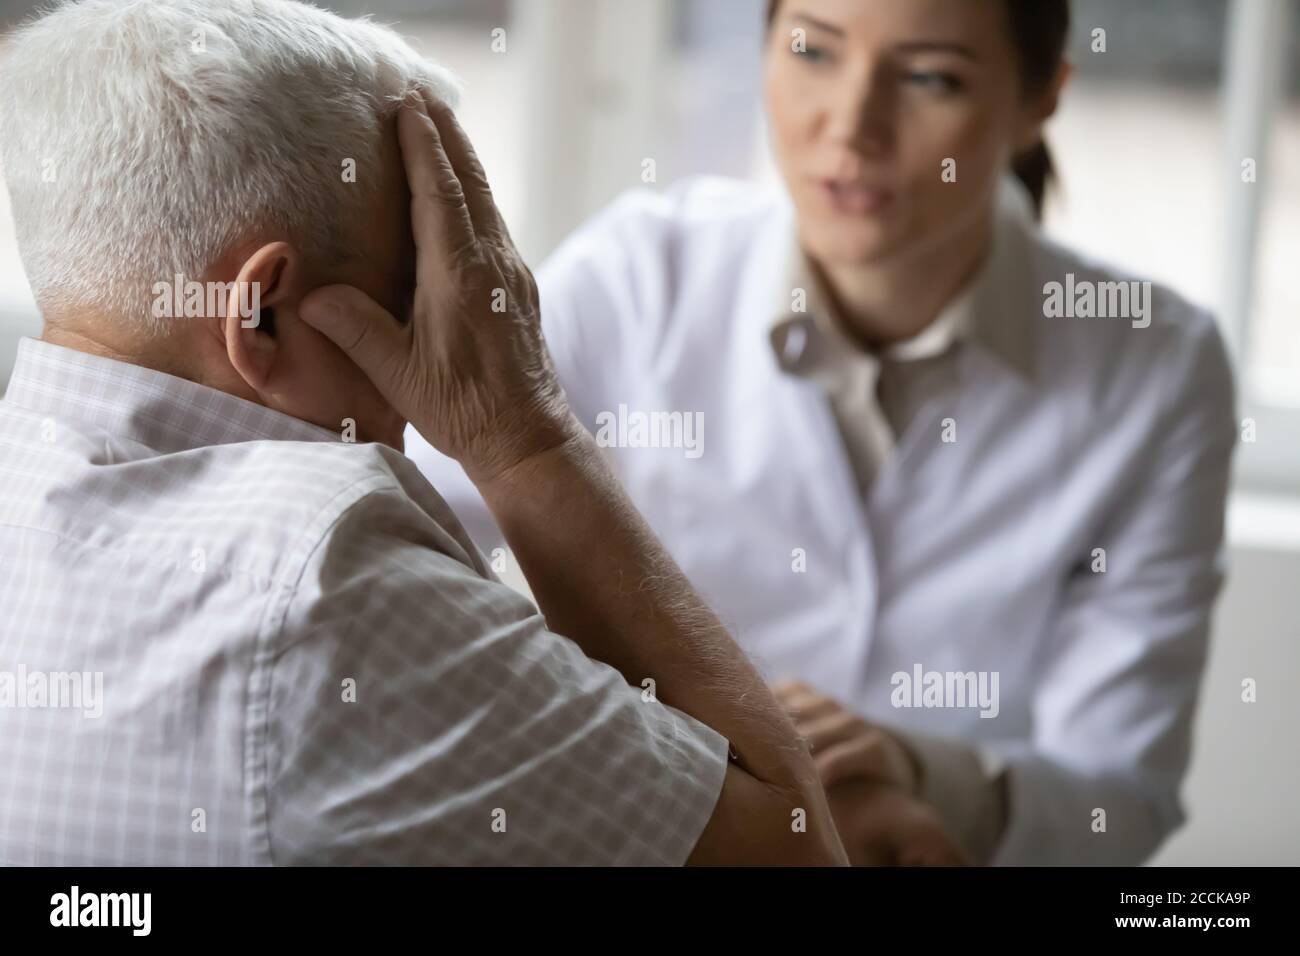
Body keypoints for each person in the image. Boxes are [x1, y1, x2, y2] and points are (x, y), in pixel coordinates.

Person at [0, 0, 923, 866]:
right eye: (414, 306)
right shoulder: (323, 577)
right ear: (262, 315)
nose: (421, 395)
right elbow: (791, 844)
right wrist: (528, 437)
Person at [407, 0, 1238, 865]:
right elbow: (413, 573)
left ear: (1041, 99)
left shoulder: (1160, 370)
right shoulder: (637, 281)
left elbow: (1118, 792)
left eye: (929, 77)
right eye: (812, 51)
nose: (851, 126)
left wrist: (927, 780)